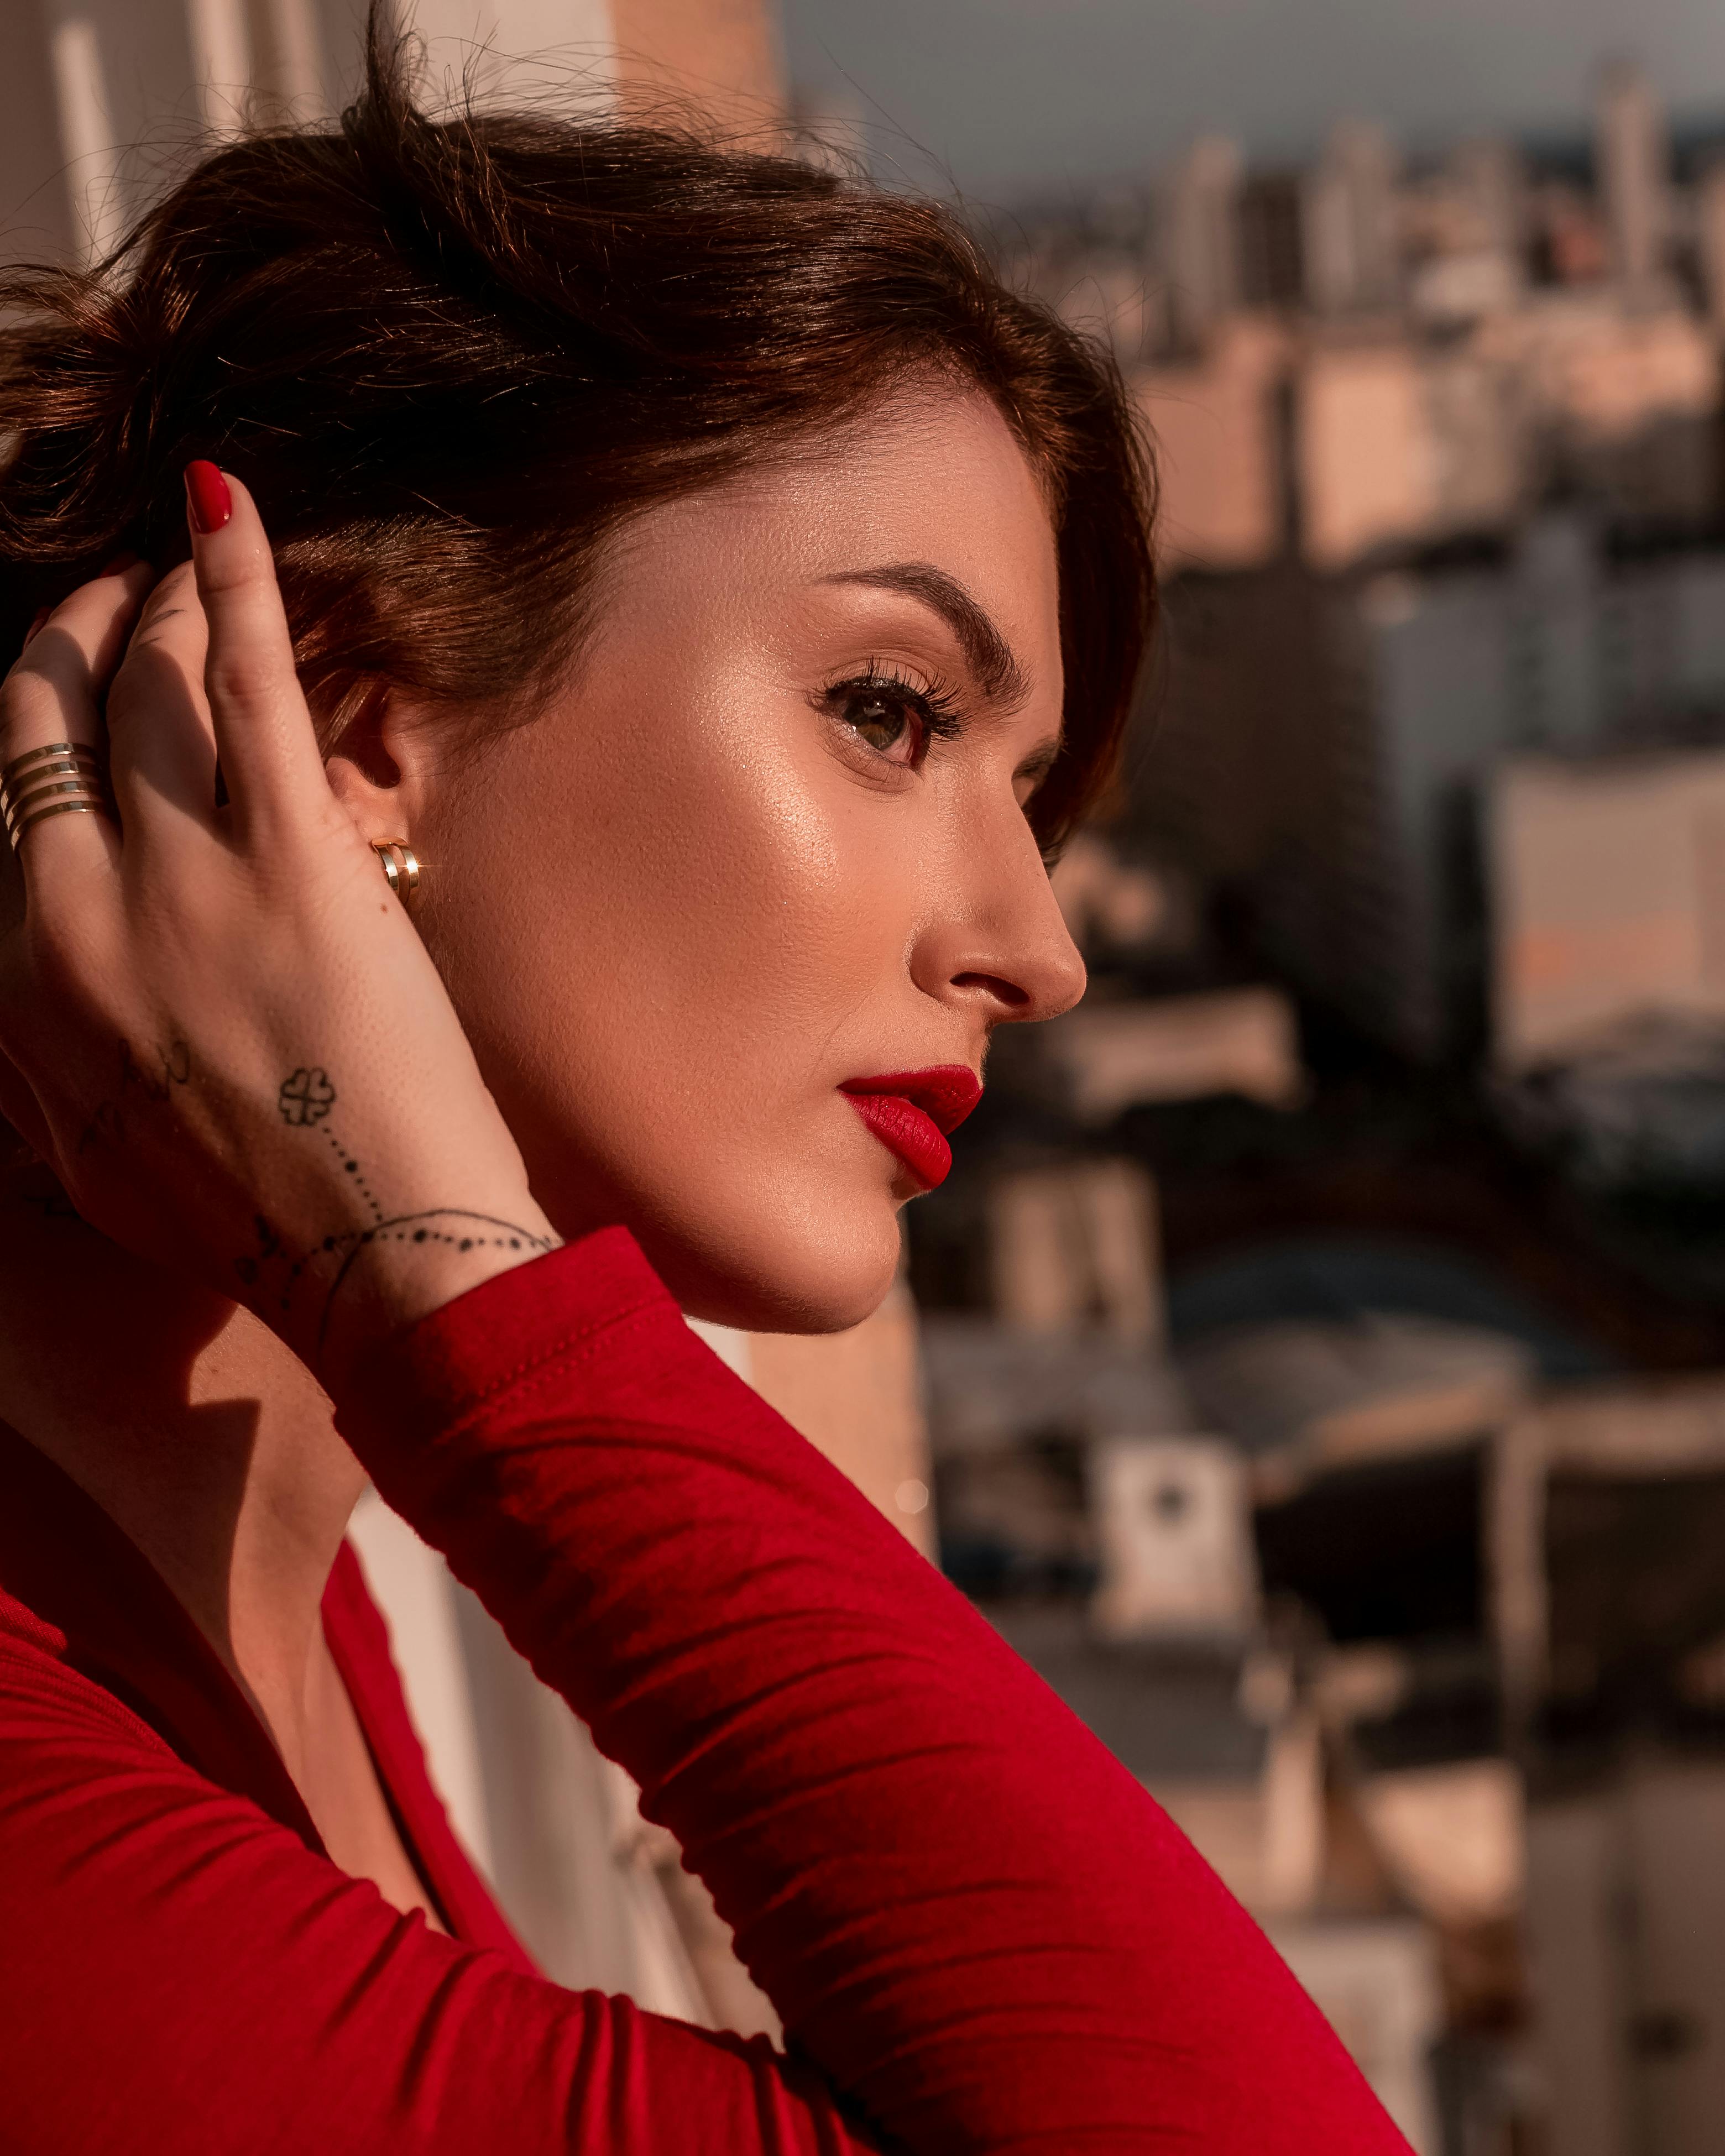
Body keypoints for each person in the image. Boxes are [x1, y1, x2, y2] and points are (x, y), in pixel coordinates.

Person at [0, 19, 1409, 2153]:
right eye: (887, 706)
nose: (1039, 947)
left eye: (1025, 794)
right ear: (349, 711)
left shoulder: (298, 1596)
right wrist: (459, 1292)